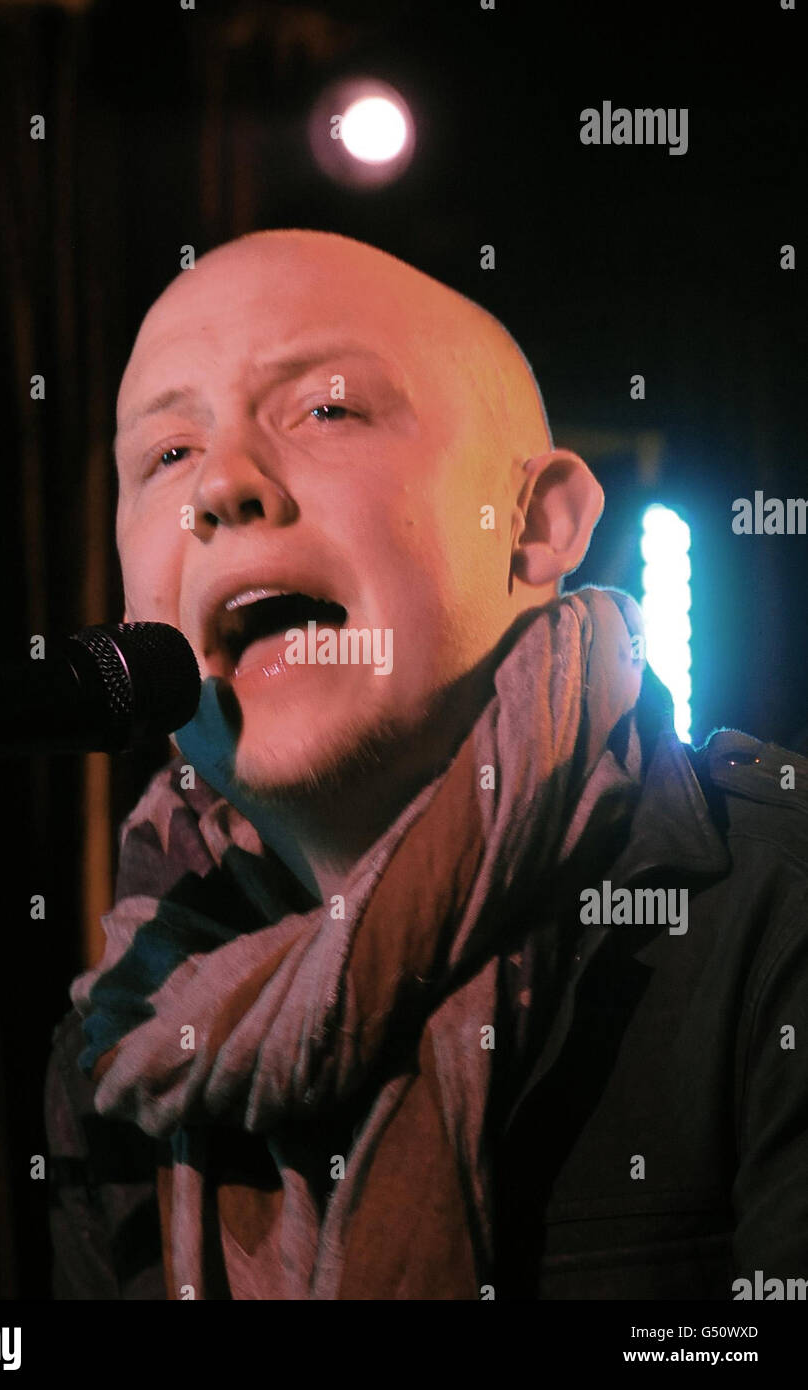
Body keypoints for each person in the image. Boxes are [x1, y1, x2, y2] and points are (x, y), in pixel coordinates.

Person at [44, 229, 808, 1300]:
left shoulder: (775, 918)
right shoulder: (125, 1043)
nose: (219, 485)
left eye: (326, 408)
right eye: (166, 455)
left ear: (535, 526)